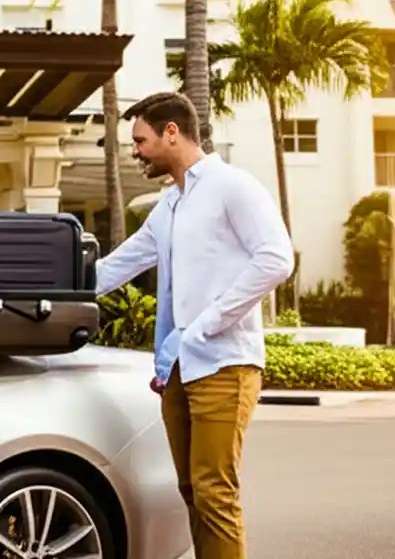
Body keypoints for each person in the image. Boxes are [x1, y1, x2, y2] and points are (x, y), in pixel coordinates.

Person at [94, 92, 294, 559]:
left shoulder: (232, 185)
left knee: (214, 491)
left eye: (140, 140)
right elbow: (116, 267)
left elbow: (276, 258)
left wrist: (208, 323)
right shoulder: (170, 205)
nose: (135, 151)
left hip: (225, 363)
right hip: (179, 368)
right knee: (192, 489)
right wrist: (49, 287)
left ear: (170, 132)